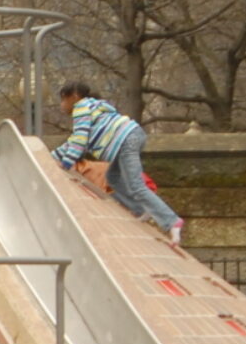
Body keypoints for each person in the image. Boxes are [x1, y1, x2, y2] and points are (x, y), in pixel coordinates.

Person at [52, 83, 186, 247]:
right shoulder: (95, 107)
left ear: (73, 97)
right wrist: (52, 156)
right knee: (113, 177)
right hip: (132, 136)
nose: (61, 105)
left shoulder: (80, 108)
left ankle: (172, 221)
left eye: (63, 100)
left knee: (136, 185)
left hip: (126, 142)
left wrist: (65, 163)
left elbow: (79, 140)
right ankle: (140, 209)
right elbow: (74, 140)